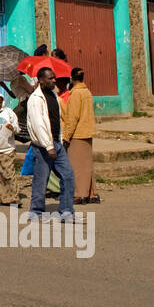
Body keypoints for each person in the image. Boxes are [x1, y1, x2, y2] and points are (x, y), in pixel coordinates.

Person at [25, 66, 76, 221]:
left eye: (54, 77)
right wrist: (48, 146)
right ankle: (36, 211)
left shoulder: (53, 94)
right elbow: (38, 124)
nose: (54, 80)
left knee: (68, 175)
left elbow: (56, 119)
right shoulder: (35, 99)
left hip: (57, 143)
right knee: (41, 179)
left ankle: (66, 210)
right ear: (41, 80)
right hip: (43, 146)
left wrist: (59, 140)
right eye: (50, 78)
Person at [62, 67, 99, 204]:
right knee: (87, 165)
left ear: (72, 79)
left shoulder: (76, 94)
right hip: (87, 132)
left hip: (77, 134)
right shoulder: (87, 92)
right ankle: (92, 193)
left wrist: (66, 136)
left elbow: (72, 117)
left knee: (77, 167)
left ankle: (80, 194)